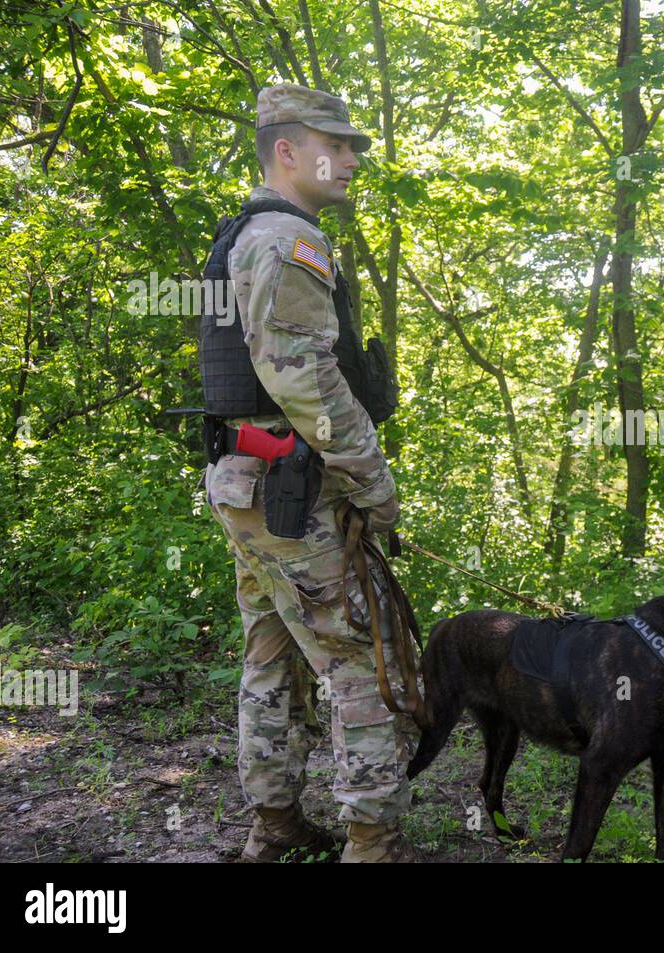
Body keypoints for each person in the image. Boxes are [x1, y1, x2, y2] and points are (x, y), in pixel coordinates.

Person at [200, 84, 418, 862]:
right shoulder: (288, 241)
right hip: (289, 490)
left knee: (270, 652)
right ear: (286, 151)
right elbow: (301, 379)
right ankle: (371, 840)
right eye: (338, 142)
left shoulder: (244, 234)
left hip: (247, 481)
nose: (353, 157)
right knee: (360, 657)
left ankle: (277, 821)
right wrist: (371, 479)